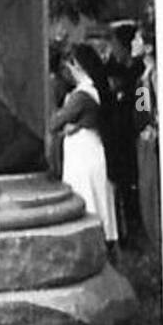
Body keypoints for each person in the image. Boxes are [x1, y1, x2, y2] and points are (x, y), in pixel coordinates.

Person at [51, 44, 119, 256]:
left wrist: (73, 125)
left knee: (89, 196)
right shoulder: (98, 89)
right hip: (94, 148)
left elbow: (55, 121)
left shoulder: (81, 95)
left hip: (87, 154)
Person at [133, 23, 160, 249]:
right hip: (144, 138)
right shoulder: (143, 77)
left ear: (149, 47)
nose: (133, 44)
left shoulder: (155, 76)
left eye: (138, 40)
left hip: (153, 141)